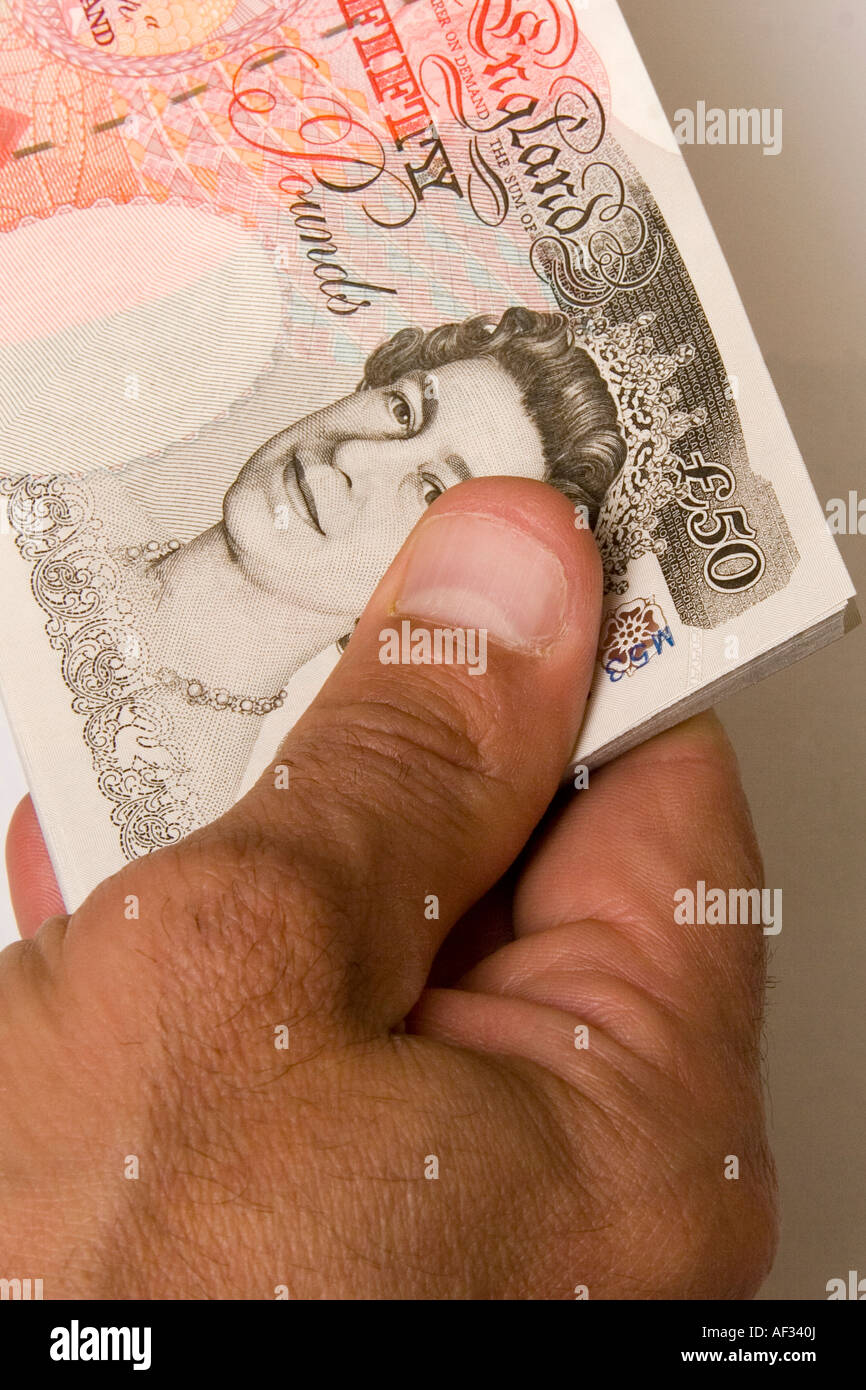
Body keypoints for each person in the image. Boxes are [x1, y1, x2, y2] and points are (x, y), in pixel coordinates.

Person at [2, 473, 777, 1299]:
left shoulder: (201, 784)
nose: (351, 463)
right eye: (406, 408)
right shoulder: (95, 493)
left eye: (430, 486)